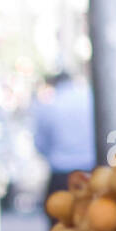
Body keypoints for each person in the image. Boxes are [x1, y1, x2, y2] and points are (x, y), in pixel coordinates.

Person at [32, 70, 95, 206]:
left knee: (60, 221)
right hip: (91, 171)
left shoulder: (50, 105)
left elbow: (40, 143)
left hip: (61, 175)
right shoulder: (90, 99)